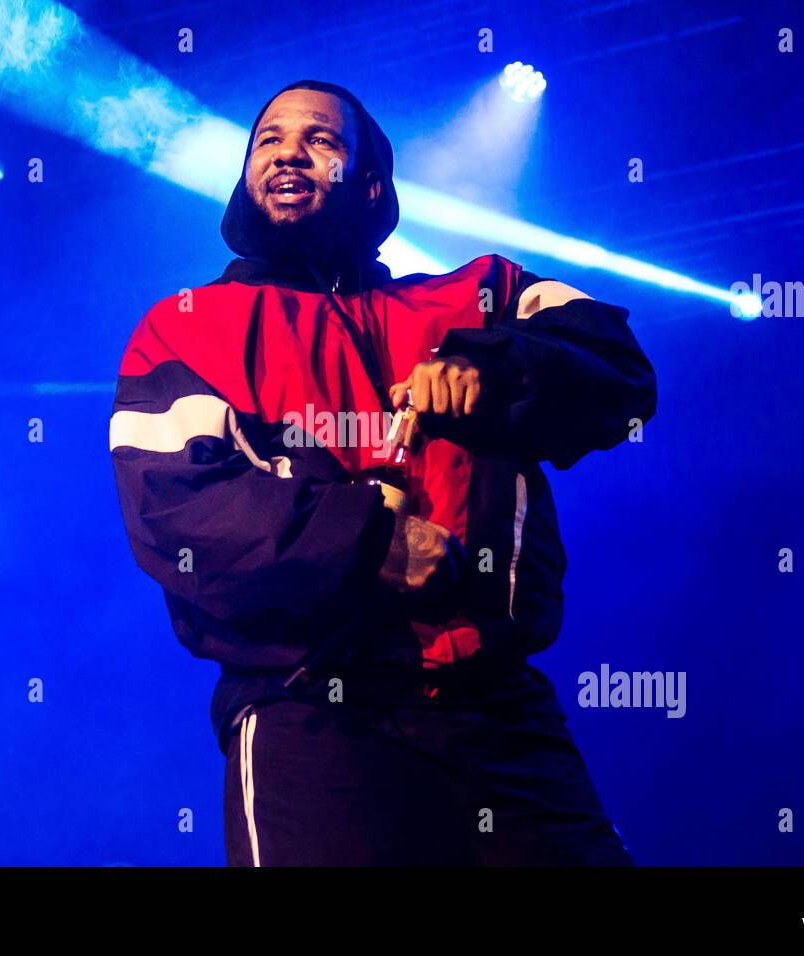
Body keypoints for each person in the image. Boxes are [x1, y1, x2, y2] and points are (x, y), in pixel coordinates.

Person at [110, 80, 656, 866]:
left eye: (320, 139)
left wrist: (495, 366)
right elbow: (180, 512)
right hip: (311, 718)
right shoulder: (186, 329)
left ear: (370, 184)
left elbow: (624, 373)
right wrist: (373, 543)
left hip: (501, 713)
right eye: (268, 139)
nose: (289, 150)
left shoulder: (480, 296)